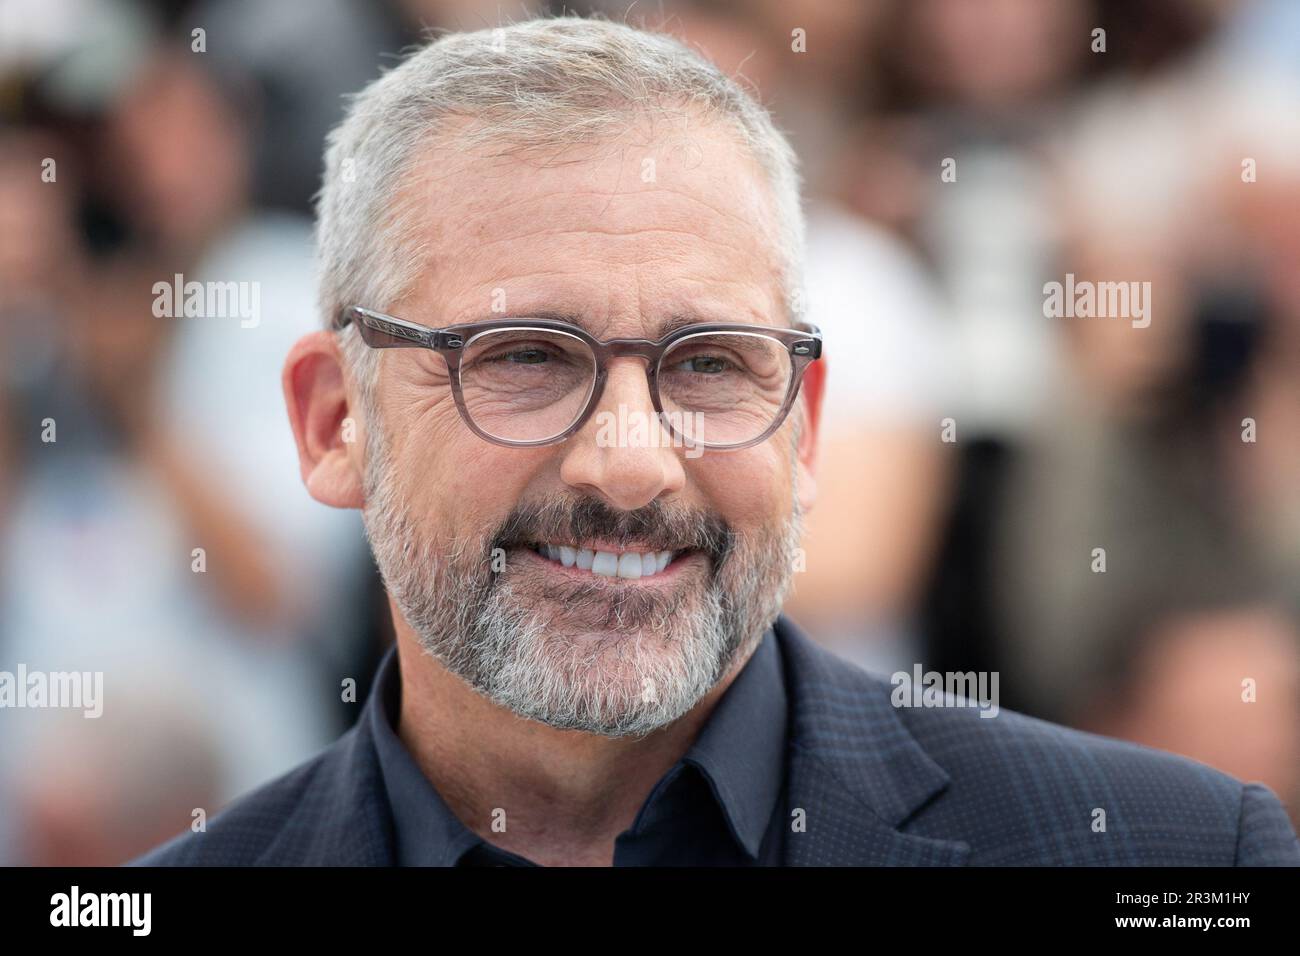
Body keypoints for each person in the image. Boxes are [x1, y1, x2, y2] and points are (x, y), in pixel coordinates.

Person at [132, 17, 1299, 867]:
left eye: (707, 364)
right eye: (527, 357)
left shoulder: (1174, 858)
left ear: (805, 426)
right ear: (336, 422)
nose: (631, 461)